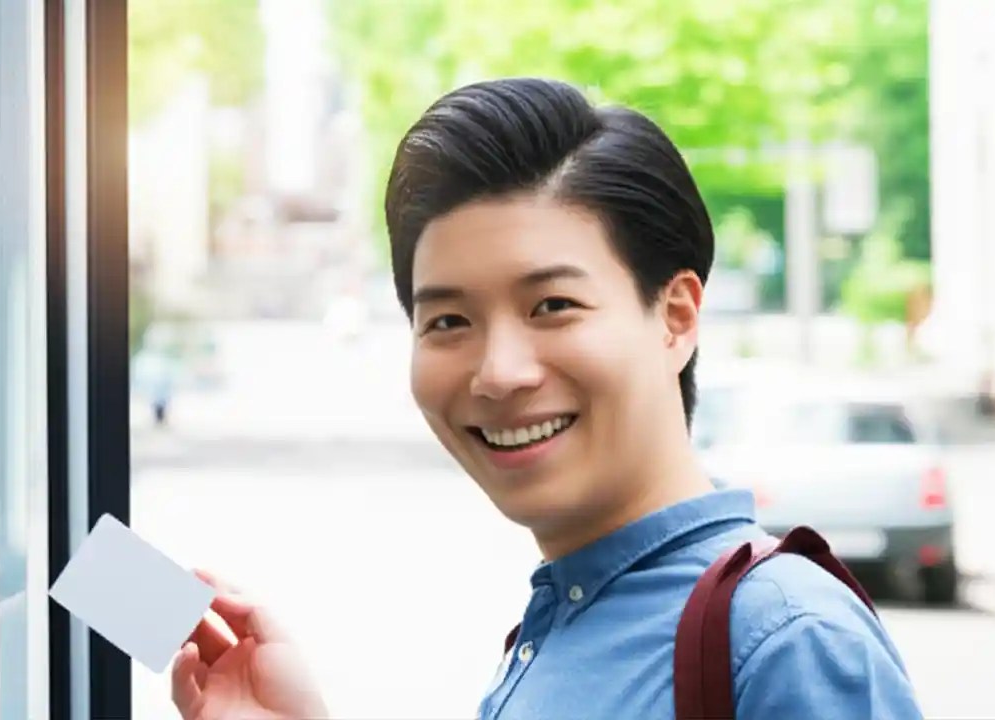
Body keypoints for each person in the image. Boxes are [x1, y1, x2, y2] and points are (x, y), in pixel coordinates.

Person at [171, 77, 922, 720]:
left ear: (677, 316)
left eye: (552, 306)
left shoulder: (785, 640)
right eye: (449, 321)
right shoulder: (563, 619)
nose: (498, 372)